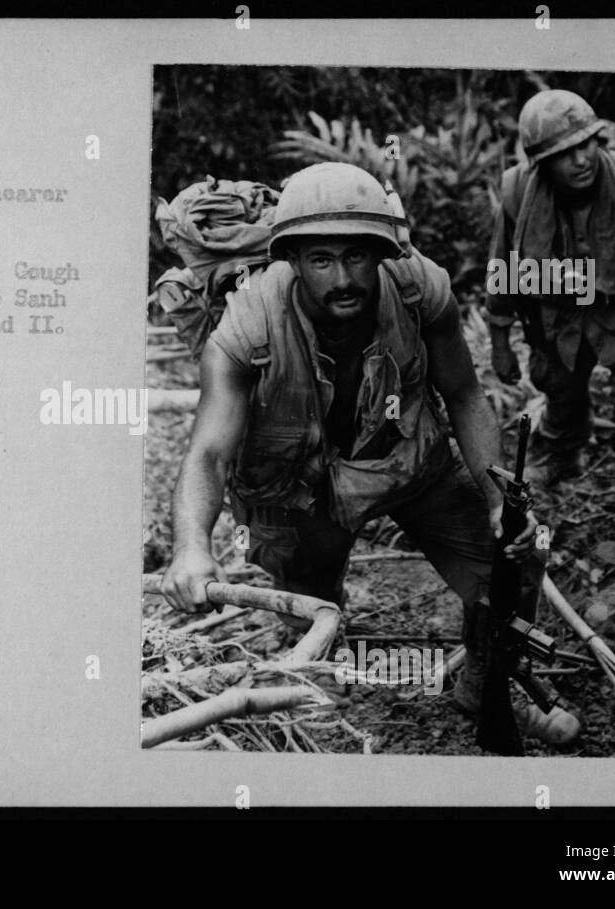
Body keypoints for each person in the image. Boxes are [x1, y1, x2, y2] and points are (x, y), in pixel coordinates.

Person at [158, 162, 553, 733]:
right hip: (300, 492)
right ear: (290, 261)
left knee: (516, 558)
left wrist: (498, 499)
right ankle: (323, 708)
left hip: (408, 462)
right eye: (321, 259)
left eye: (357, 256)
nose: (342, 278)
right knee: (313, 609)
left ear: (382, 254)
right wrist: (191, 547)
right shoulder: (249, 325)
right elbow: (209, 453)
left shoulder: (420, 289)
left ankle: (485, 687)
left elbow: (464, 394)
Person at [486, 89, 615, 486]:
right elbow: (502, 270)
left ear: (599, 140)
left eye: (586, 145)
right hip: (557, 310)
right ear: (542, 162)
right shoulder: (518, 193)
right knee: (558, 387)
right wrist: (501, 344)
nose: (580, 160)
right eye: (563, 153)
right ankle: (562, 456)